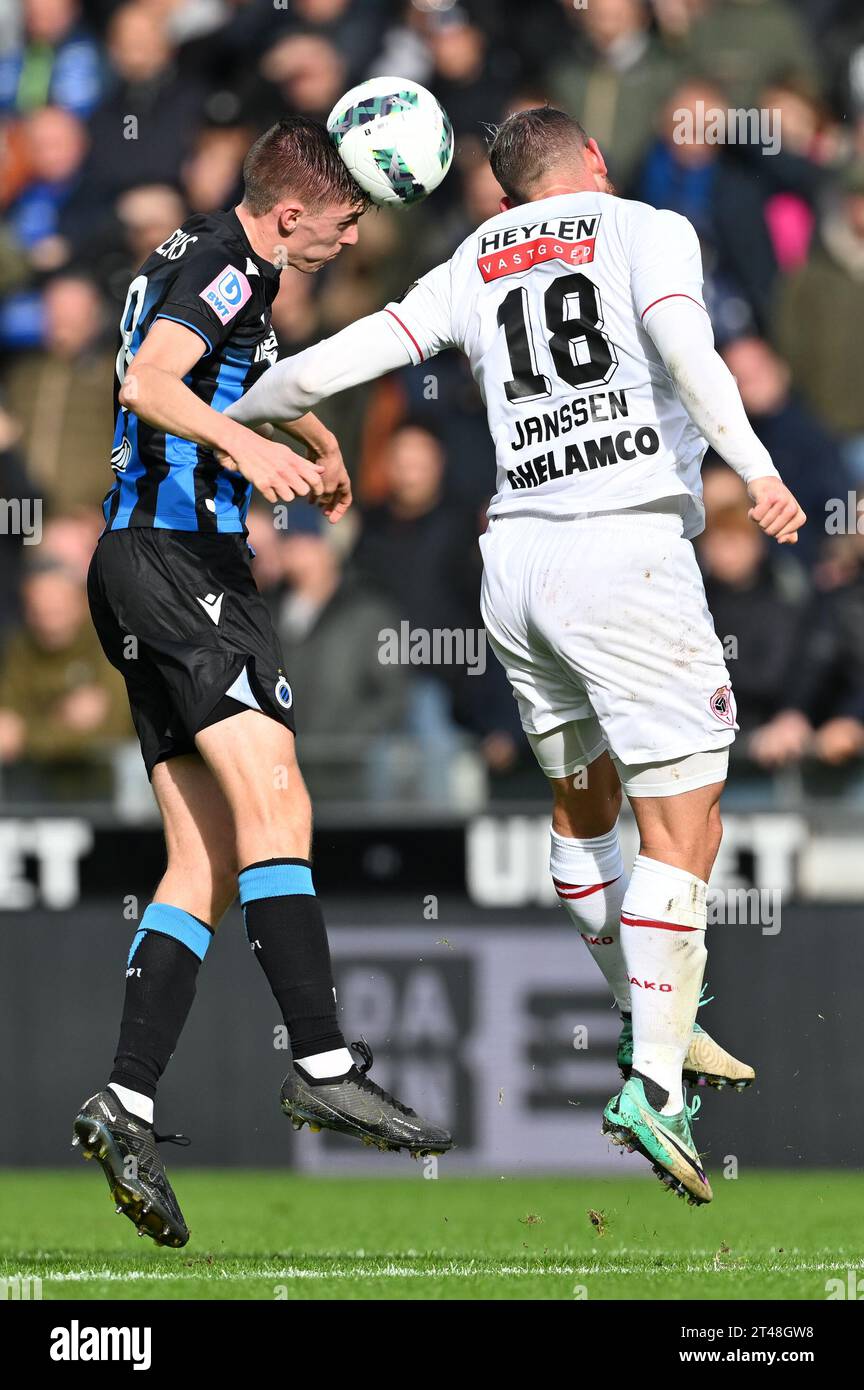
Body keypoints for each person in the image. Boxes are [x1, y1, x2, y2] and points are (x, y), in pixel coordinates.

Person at [227, 107, 807, 1208]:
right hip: (624, 546)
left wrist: (228, 414)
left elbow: (344, 359)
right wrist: (757, 464)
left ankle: (647, 1014)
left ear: (503, 197)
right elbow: (688, 348)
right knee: (685, 823)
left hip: (518, 563)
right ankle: (651, 1081)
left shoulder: (473, 258)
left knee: (583, 807)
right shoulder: (649, 226)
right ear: (594, 158)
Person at [73, 117, 450, 1253]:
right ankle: (326, 1064)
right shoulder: (233, 263)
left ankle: (127, 1098)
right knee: (281, 800)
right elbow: (151, 384)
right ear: (293, 213)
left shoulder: (200, 258)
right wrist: (251, 453)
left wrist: (311, 431)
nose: (352, 237)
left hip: (138, 567)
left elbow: (227, 377)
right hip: (180, 565)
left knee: (207, 858)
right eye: (346, 220)